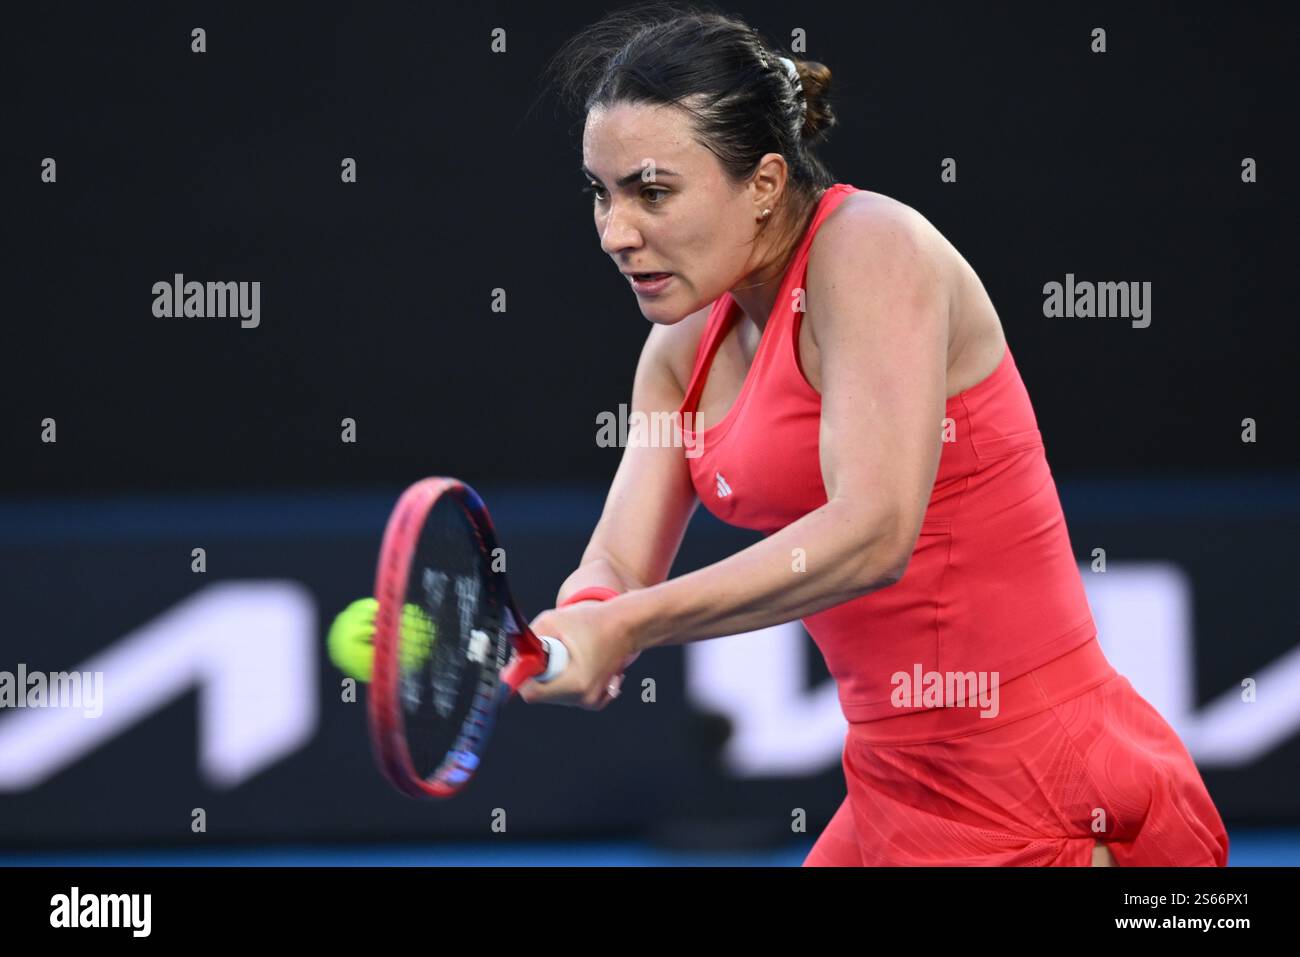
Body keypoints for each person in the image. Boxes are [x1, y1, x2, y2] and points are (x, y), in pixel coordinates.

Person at [522, 4, 1228, 866]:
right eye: (602, 191)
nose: (615, 231)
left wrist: (628, 627)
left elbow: (873, 534)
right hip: (894, 785)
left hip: (1041, 785)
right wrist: (570, 630)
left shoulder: (871, 251)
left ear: (767, 184)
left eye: (652, 191)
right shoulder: (678, 348)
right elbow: (619, 565)